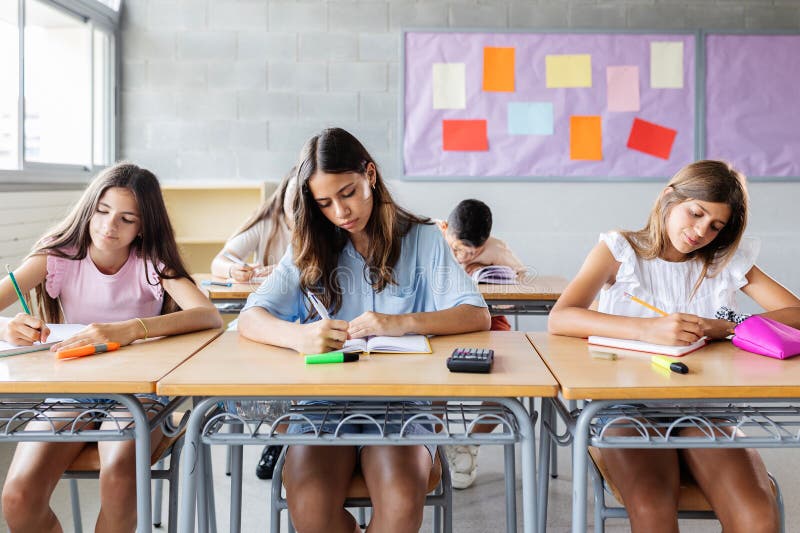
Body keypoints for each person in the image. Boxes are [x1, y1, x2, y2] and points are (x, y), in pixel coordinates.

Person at [239, 127, 490, 533]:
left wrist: (401, 323)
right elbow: (251, 317)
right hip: (322, 405)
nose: (340, 212)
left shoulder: (423, 238)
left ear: (370, 175)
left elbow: (475, 314)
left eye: (348, 193)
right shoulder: (310, 247)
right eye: (324, 203)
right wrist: (300, 338)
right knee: (309, 503)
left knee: (401, 499)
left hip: (403, 404)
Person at [548, 160, 800, 533]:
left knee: (758, 517)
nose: (701, 231)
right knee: (653, 514)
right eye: (695, 213)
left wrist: (727, 327)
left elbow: (795, 312)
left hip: (706, 407)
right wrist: (645, 330)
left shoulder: (723, 261)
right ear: (669, 197)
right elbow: (561, 317)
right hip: (623, 407)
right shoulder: (620, 251)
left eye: (716, 225)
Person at [0, 162, 222, 532]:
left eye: (126, 219)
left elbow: (208, 315)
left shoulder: (152, 262)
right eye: (102, 212)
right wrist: (9, 327)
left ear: (143, 227)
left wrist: (131, 330)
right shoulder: (58, 257)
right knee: (18, 496)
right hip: (73, 392)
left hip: (141, 393)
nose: (108, 226)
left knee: (119, 474)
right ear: (89, 209)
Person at [210, 167, 298, 480]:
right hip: (268, 322)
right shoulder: (269, 225)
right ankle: (280, 438)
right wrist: (236, 271)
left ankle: (289, 438)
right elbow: (220, 260)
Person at [437, 198, 527, 488]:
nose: (462, 257)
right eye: (456, 249)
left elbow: (522, 280)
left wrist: (502, 259)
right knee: (431, 381)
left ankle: (469, 444)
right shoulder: (431, 239)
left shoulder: (495, 250)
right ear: (445, 228)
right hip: (444, 326)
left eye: (471, 252)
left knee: (508, 380)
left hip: (490, 325)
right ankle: (435, 448)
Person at [211, 167, 297, 283]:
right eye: (293, 192)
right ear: (283, 194)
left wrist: (287, 270)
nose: (298, 202)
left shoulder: (323, 228)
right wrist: (233, 270)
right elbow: (218, 263)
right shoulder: (265, 224)